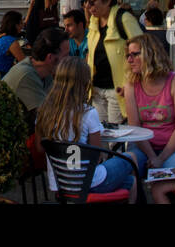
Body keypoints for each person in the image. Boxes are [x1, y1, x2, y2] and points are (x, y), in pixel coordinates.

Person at [37, 56, 137, 200]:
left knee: (130, 182)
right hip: (88, 182)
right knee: (131, 157)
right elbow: (95, 157)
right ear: (84, 83)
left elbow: (41, 148)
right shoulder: (88, 113)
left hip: (60, 184)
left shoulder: (43, 111)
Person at [121, 33, 175, 174]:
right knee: (126, 166)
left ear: (150, 55)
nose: (130, 60)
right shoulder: (131, 85)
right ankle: (139, 196)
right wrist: (152, 156)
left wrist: (160, 158)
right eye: (128, 56)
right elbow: (135, 127)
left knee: (166, 172)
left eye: (135, 54)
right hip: (144, 147)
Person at [82, 0, 143, 123]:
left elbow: (143, 50)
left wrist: (132, 85)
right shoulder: (94, 22)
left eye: (92, 2)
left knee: (115, 137)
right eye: (85, 1)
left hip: (117, 90)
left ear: (107, 0)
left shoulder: (123, 19)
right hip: (96, 89)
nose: (88, 6)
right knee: (100, 136)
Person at [3, 27, 69, 115]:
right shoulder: (27, 75)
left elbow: (58, 101)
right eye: (66, 56)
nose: (69, 60)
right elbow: (47, 116)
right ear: (50, 58)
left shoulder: (46, 72)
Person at [0, 11, 27, 75]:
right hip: (0, 78)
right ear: (16, 25)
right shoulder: (11, 42)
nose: (23, 25)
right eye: (21, 23)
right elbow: (24, 63)